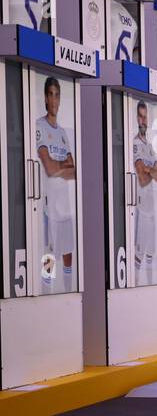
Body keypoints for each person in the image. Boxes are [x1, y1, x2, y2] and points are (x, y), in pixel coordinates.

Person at [35, 77, 76, 293]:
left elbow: (74, 171)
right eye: (50, 94)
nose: (53, 99)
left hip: (66, 208)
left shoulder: (62, 133)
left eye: (56, 94)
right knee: (49, 256)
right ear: (45, 97)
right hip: (49, 208)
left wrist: (58, 166)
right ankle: (46, 294)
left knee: (68, 254)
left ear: (60, 99)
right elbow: (49, 168)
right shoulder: (39, 126)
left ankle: (68, 293)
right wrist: (62, 167)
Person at [132, 101, 157, 284]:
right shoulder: (135, 144)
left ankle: (150, 285)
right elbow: (142, 178)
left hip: (152, 210)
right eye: (140, 116)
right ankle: (134, 285)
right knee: (139, 254)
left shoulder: (149, 146)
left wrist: (148, 169)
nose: (143, 120)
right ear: (136, 118)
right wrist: (151, 170)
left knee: (151, 253)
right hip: (141, 209)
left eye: (145, 116)